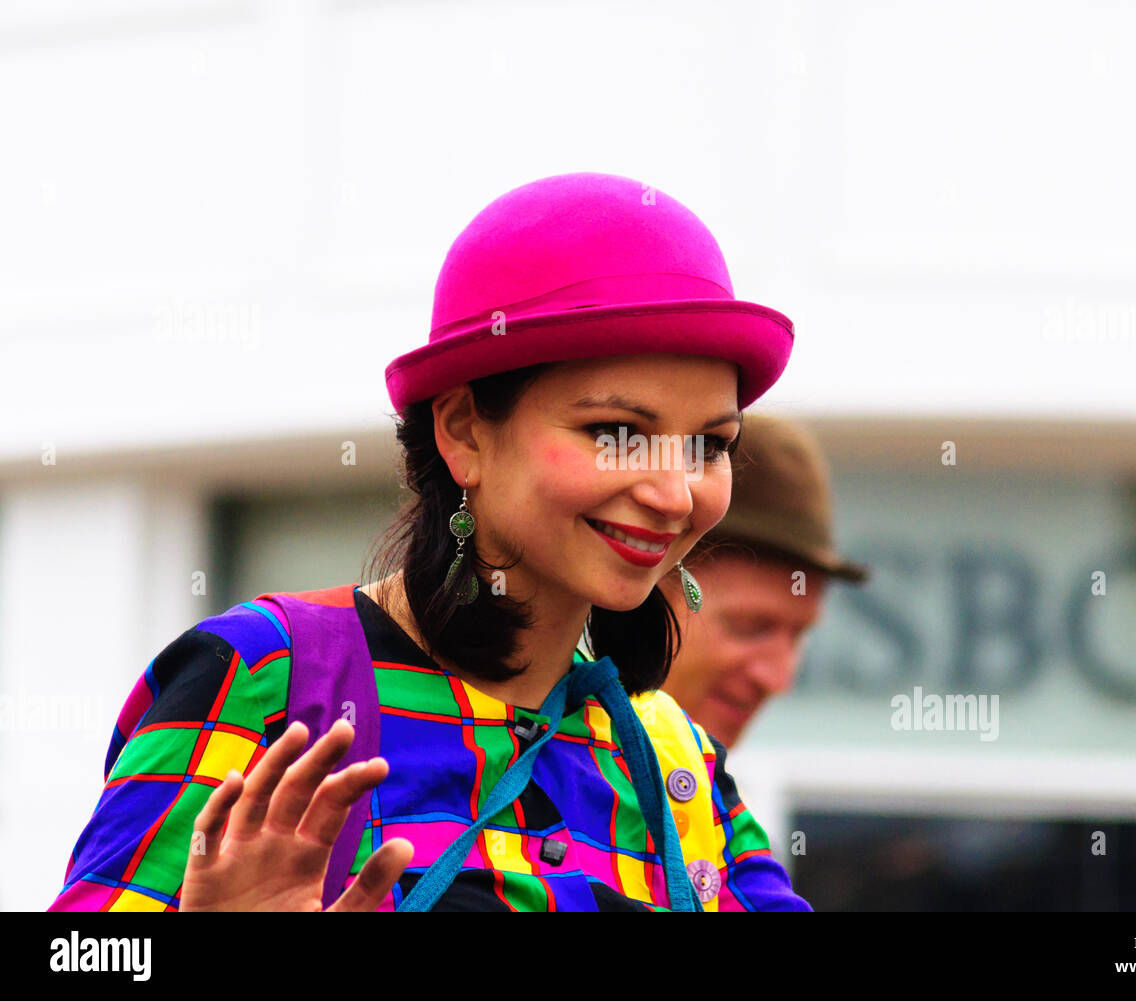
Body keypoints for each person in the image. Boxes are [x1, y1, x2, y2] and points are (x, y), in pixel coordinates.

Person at [49, 171, 812, 911]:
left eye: (708, 444)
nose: (674, 493)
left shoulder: (675, 757)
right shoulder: (268, 678)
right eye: (615, 433)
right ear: (462, 432)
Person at [658, 414, 869, 748]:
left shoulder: (707, 794)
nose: (778, 679)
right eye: (751, 627)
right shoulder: (554, 782)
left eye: (798, 637)